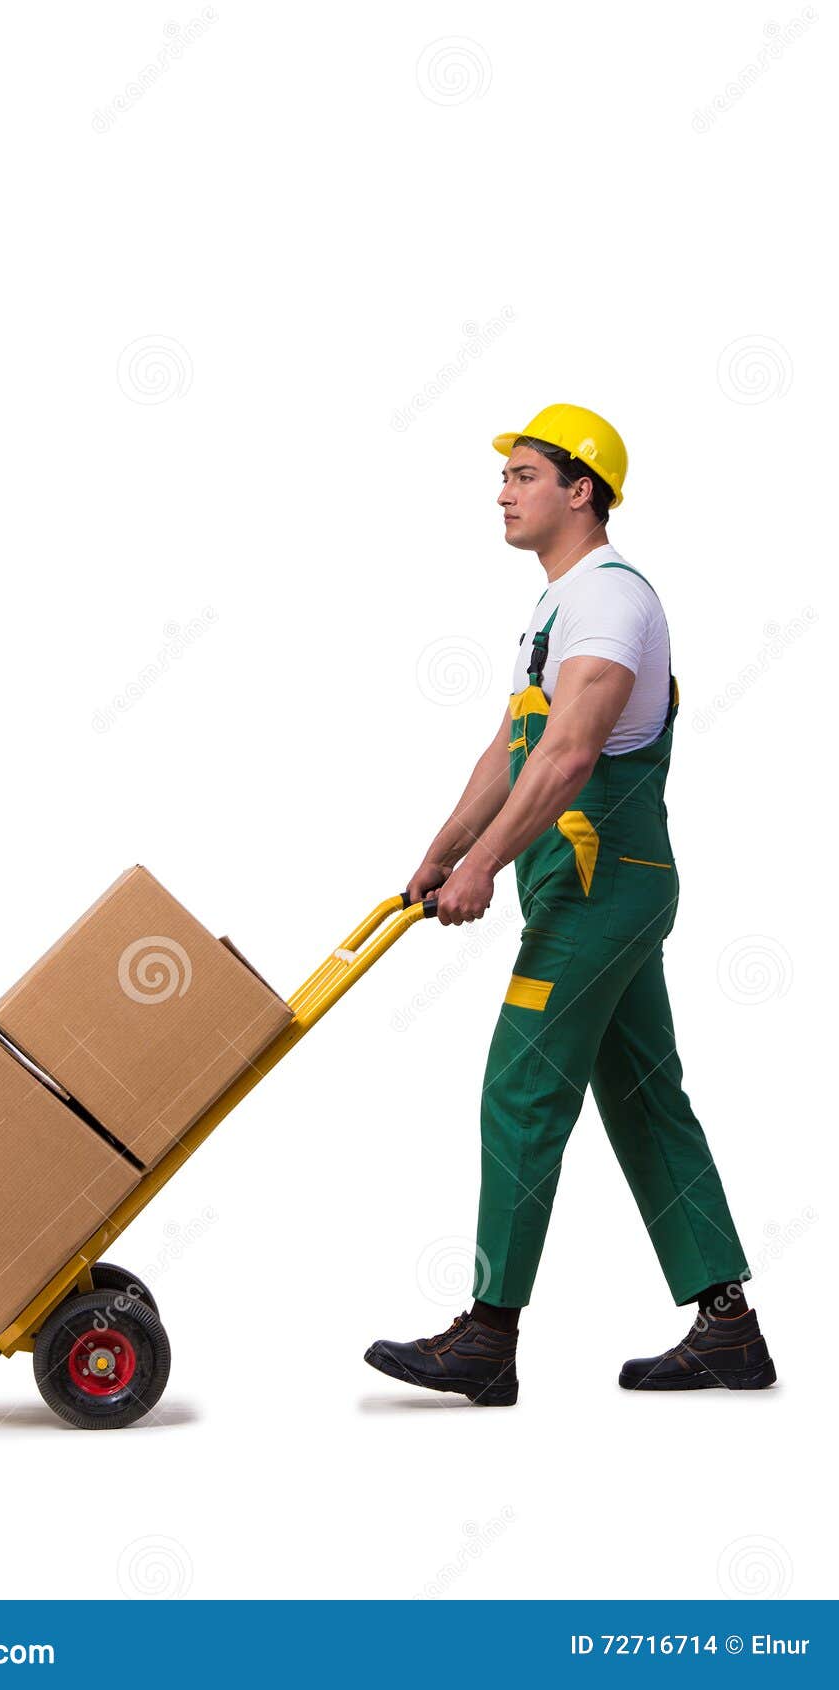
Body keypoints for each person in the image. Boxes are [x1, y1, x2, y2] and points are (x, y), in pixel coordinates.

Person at [365, 404, 776, 1404]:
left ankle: (488, 1336)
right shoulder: (556, 608)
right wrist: (439, 853)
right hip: (585, 888)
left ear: (579, 489)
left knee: (521, 1085)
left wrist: (485, 870)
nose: (503, 491)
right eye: (504, 477)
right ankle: (729, 1327)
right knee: (642, 1097)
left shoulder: (609, 601)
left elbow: (571, 756)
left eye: (523, 474)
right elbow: (510, 750)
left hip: (599, 893)